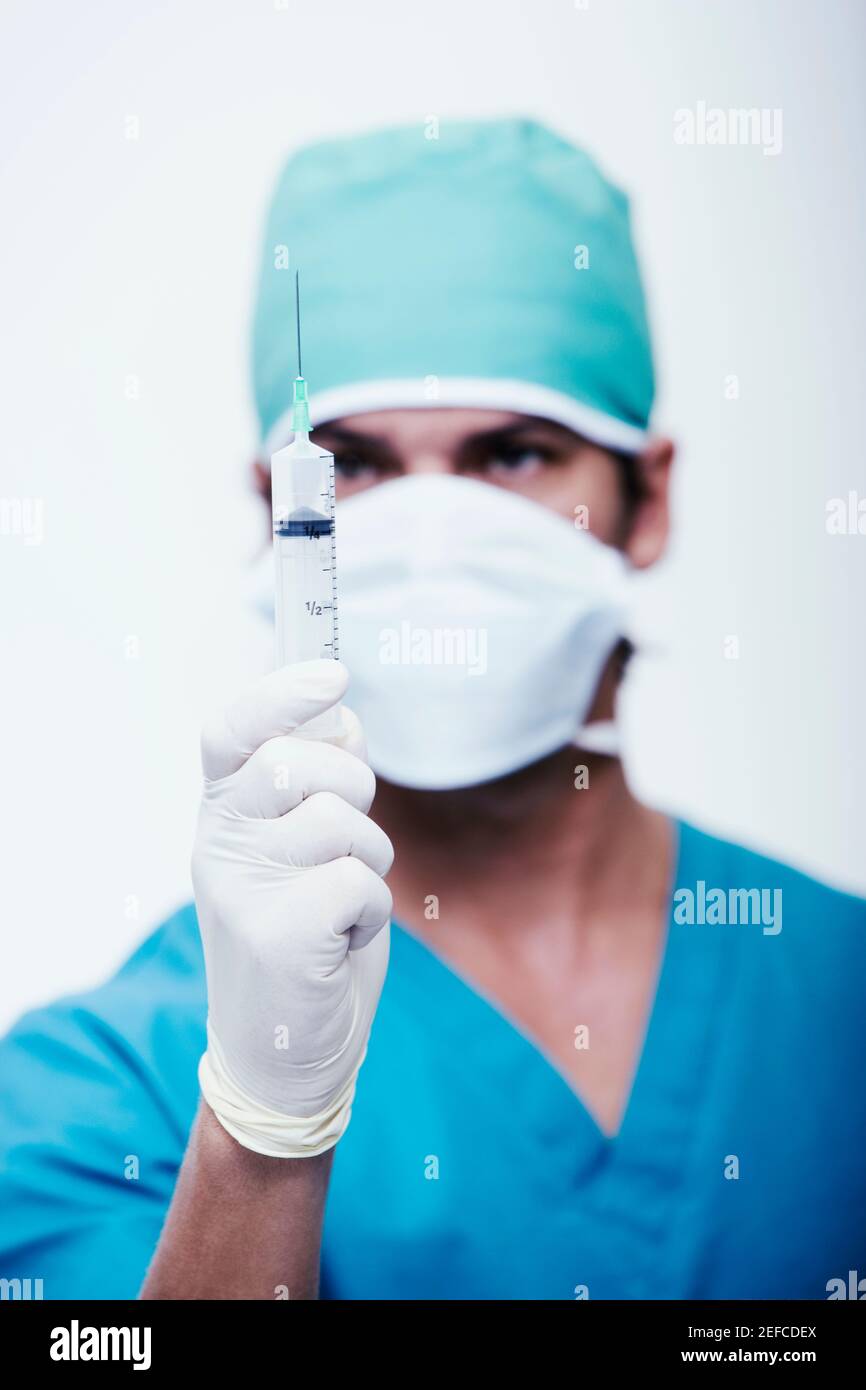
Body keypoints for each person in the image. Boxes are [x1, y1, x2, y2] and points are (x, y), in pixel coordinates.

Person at [1, 119, 864, 1302]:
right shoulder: (103, 1088)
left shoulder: (835, 990)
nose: (433, 536)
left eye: (512, 454)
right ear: (278, 509)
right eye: (351, 461)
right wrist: (263, 1122)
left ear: (644, 497)